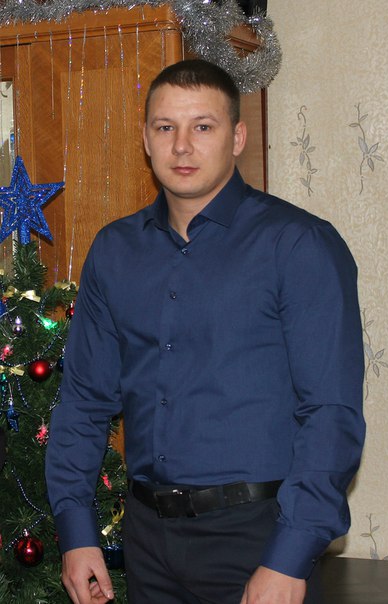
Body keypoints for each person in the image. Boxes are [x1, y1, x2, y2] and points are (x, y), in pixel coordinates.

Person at [45, 58, 365, 604]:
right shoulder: (115, 251)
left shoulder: (298, 245)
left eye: (203, 126)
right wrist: (76, 532)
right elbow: (83, 401)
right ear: (146, 139)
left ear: (237, 137)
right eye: (165, 127)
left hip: (258, 538)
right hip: (146, 540)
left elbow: (331, 414)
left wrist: (289, 557)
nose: (182, 146)